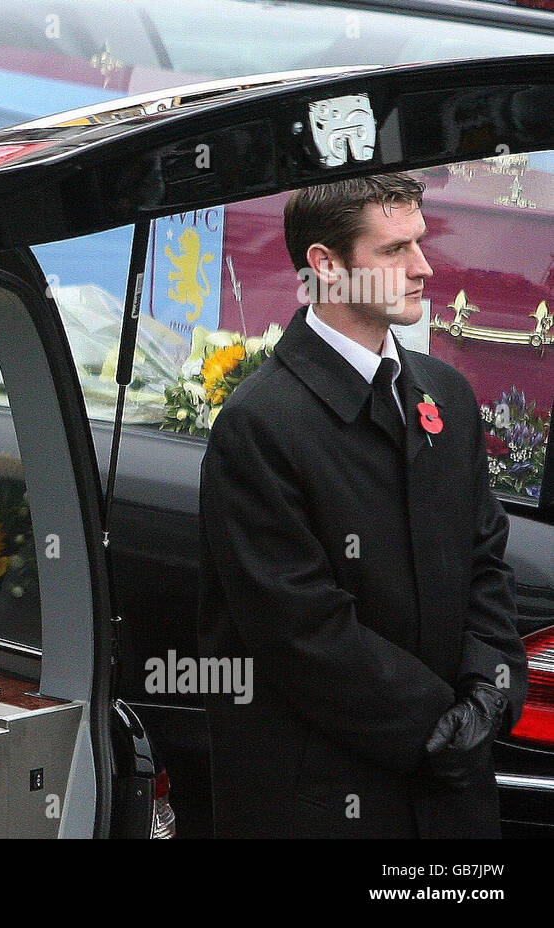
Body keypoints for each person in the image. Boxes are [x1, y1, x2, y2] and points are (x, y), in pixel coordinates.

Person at [197, 172, 527, 838]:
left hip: (454, 802)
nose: (424, 267)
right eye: (395, 250)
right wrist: (439, 727)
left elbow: (486, 563)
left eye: (420, 242)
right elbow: (300, 629)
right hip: (323, 802)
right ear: (325, 265)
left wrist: (489, 696)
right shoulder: (260, 423)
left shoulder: (445, 394)